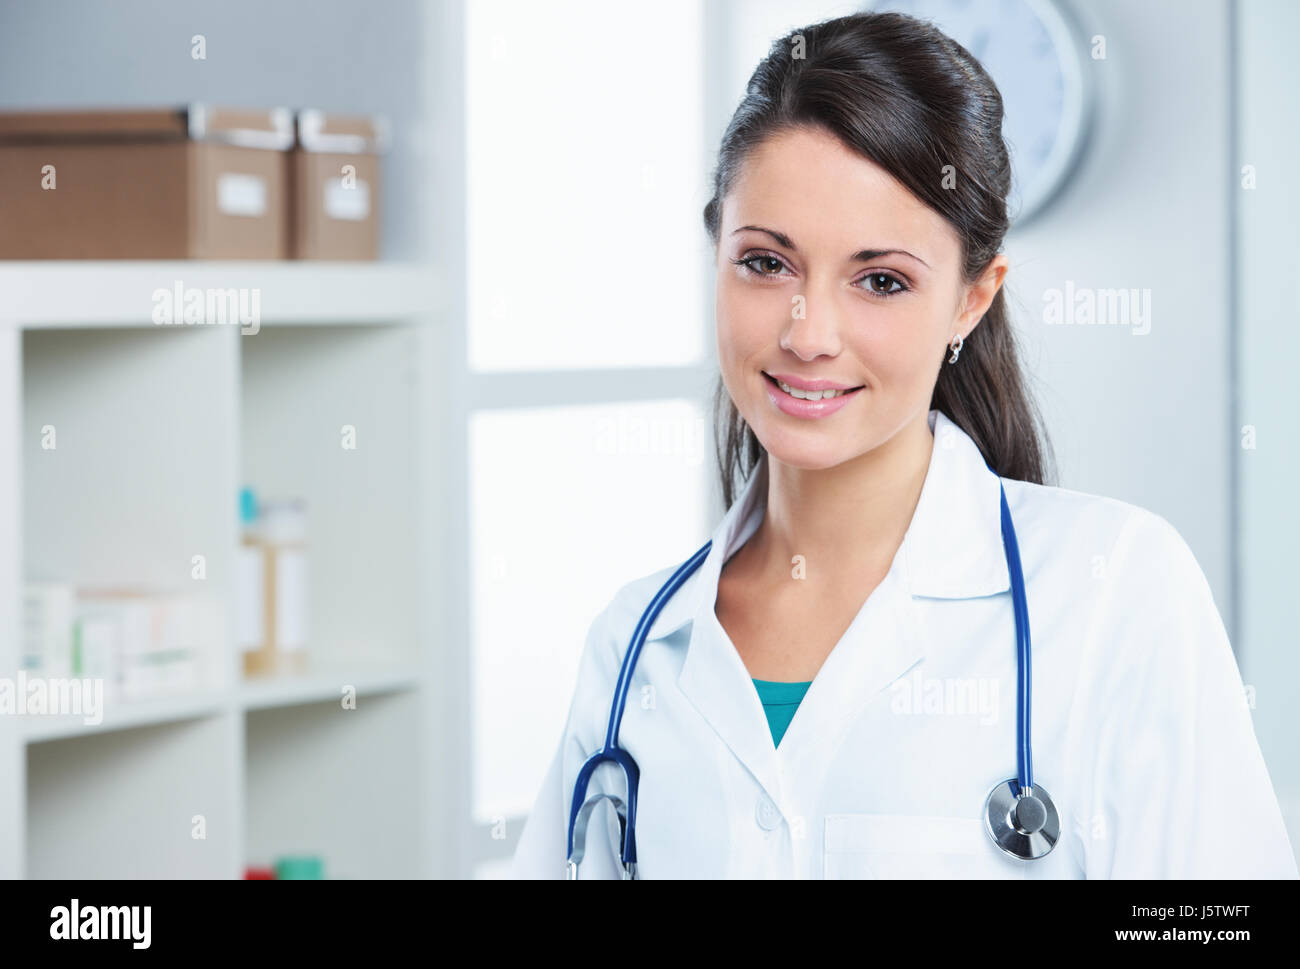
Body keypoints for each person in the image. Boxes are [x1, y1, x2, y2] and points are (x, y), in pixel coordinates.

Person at [510, 10, 1297, 879]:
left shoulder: (1118, 593)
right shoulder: (634, 646)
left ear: (972, 298)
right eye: (767, 263)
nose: (809, 334)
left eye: (880, 280)